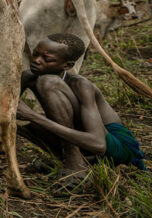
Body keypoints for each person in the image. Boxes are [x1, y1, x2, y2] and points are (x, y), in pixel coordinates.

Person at [15, 33, 146, 184]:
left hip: (116, 146)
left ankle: (74, 161)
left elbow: (98, 145)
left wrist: (33, 116)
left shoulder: (81, 85)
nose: (37, 61)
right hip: (88, 145)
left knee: (47, 85)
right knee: (25, 124)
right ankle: (83, 160)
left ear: (68, 65)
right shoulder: (29, 76)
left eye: (47, 59)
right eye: (36, 54)